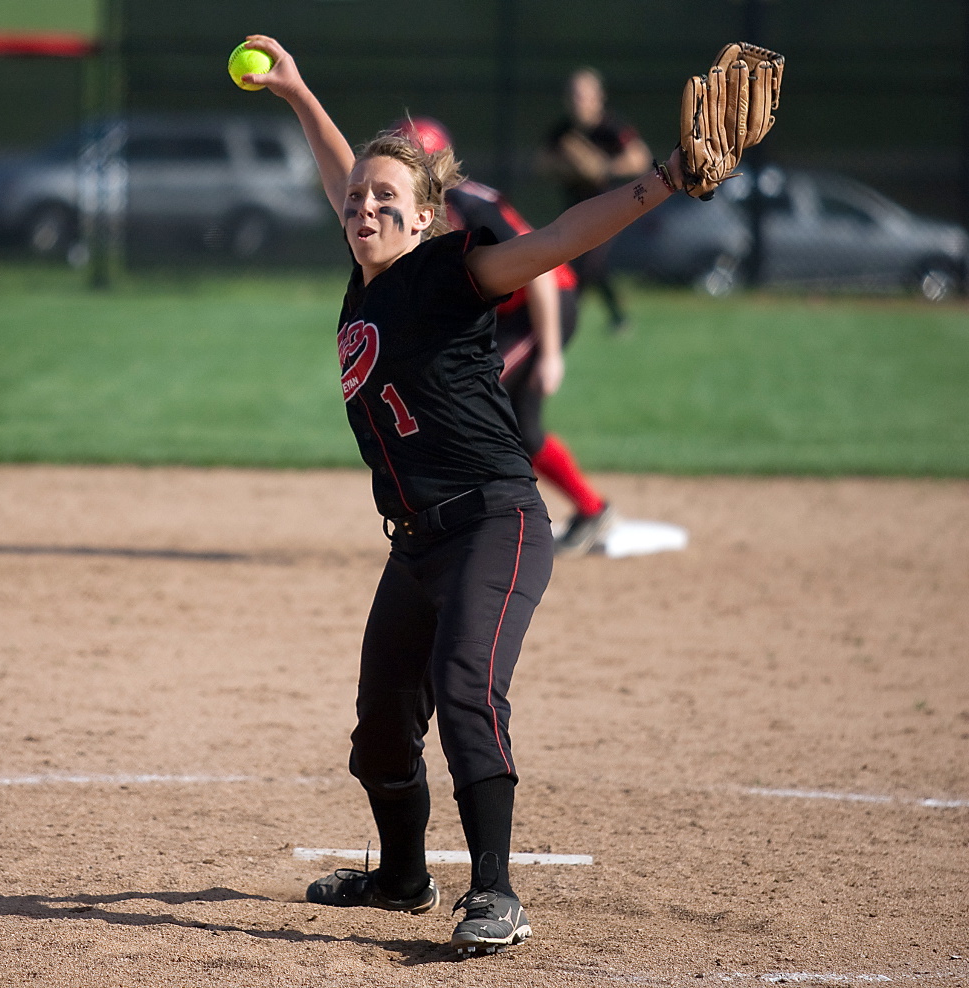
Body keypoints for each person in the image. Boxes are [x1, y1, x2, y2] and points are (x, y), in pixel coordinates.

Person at [238, 34, 687, 957]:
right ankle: (402, 879)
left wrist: (666, 179)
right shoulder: (366, 278)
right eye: (358, 200)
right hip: (416, 542)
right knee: (379, 731)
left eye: (385, 200)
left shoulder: (451, 272)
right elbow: (344, 175)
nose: (363, 207)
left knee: (465, 686)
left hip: (496, 519)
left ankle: (495, 895)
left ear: (424, 219)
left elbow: (561, 239)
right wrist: (296, 92)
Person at [393, 116, 618, 556]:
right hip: (507, 315)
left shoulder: (468, 205)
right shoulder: (416, 209)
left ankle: (475, 521)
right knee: (521, 425)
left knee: (466, 400)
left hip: (545, 306)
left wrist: (550, 353)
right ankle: (592, 511)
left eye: (415, 158)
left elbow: (542, 265)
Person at [538, 66, 652, 334]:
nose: (579, 102)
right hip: (575, 209)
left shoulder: (611, 128)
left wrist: (604, 169)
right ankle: (619, 318)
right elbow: (542, 163)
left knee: (586, 263)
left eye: (585, 95)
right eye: (574, 95)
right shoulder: (563, 131)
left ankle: (562, 318)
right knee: (591, 266)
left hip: (610, 208)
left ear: (599, 98)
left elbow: (640, 158)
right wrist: (569, 167)